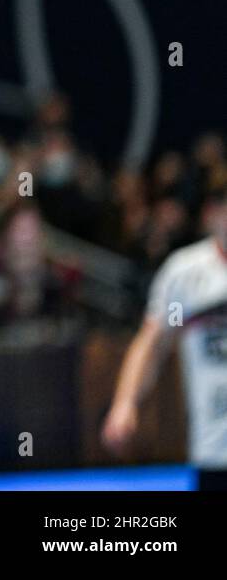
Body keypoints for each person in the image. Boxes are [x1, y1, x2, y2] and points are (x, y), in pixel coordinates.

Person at [102, 186, 227, 490]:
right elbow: (155, 341)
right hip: (215, 449)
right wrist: (125, 403)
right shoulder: (186, 275)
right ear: (213, 215)